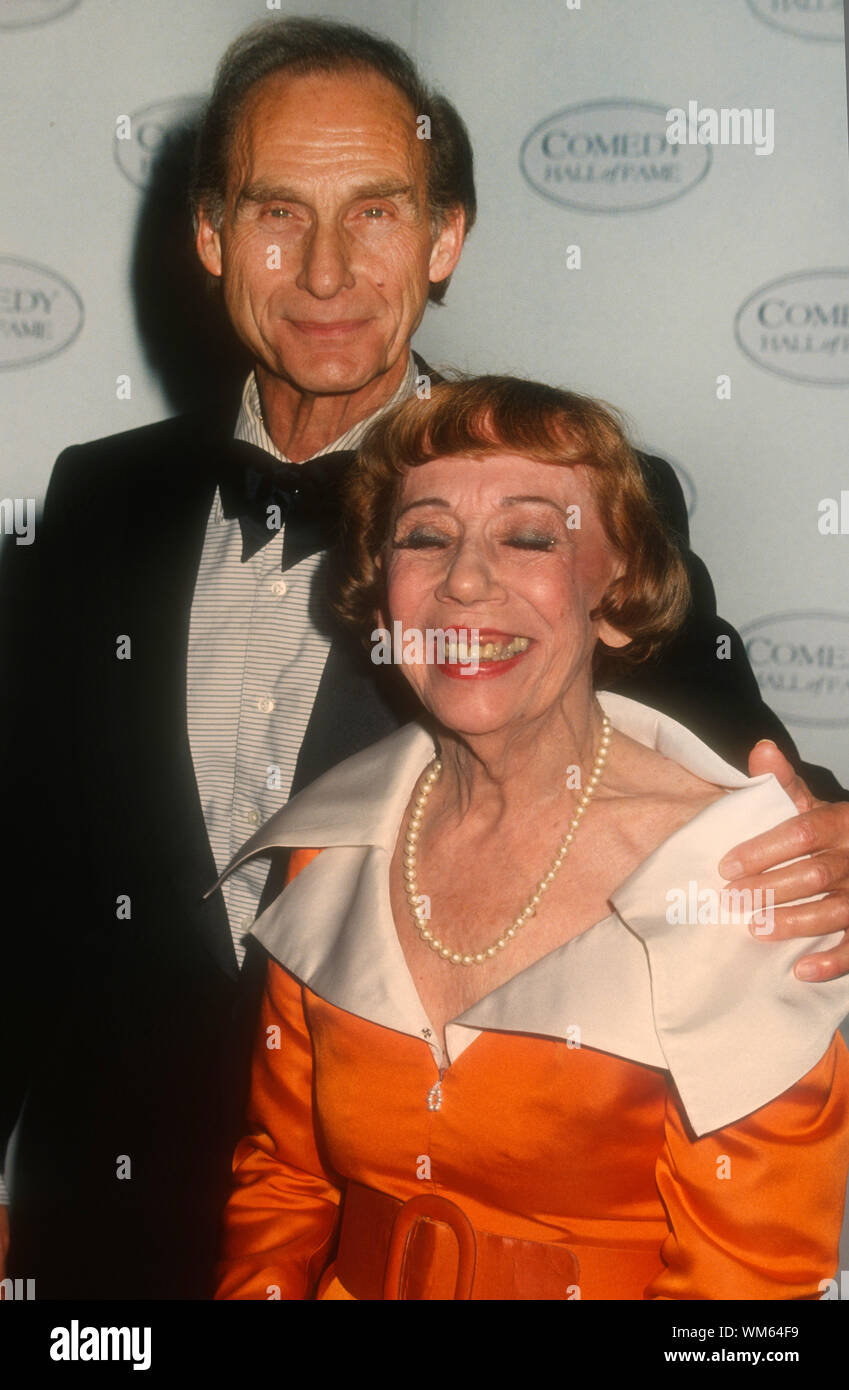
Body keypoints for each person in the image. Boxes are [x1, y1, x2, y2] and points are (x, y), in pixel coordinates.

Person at [1, 17, 848, 1301]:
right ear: (211, 234)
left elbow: (751, 776)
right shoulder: (98, 501)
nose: (328, 269)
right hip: (106, 1238)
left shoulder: (562, 507)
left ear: (445, 238)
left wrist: (836, 833)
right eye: (279, 211)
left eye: (379, 213)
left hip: (380, 1224)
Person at [213, 377, 849, 1301]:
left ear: (616, 593)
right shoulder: (329, 850)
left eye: (529, 536)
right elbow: (283, 1185)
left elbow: (749, 1305)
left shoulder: (736, 878)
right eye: (424, 536)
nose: (464, 579)